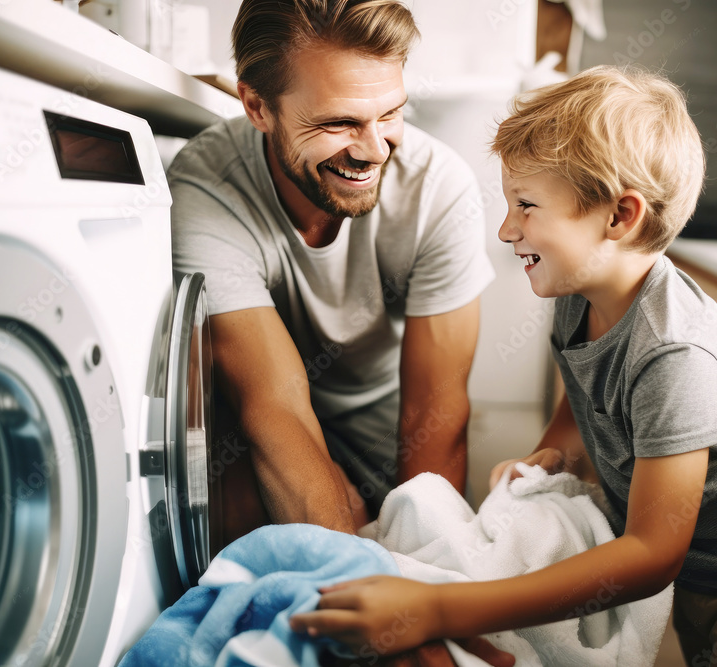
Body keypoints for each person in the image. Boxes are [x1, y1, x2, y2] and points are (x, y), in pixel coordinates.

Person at [289, 65, 717, 667]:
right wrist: (549, 450)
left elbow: (653, 555)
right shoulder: (578, 295)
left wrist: (437, 608)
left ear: (619, 218)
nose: (505, 228)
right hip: (692, 563)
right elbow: (584, 396)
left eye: (526, 205)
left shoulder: (678, 356)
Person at [168, 0, 495, 538]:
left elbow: (435, 415)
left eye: (390, 113)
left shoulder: (439, 189)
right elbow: (275, 410)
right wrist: (350, 582)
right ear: (257, 106)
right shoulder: (208, 190)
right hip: (264, 430)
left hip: (390, 434)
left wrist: (420, 587)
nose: (373, 150)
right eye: (340, 123)